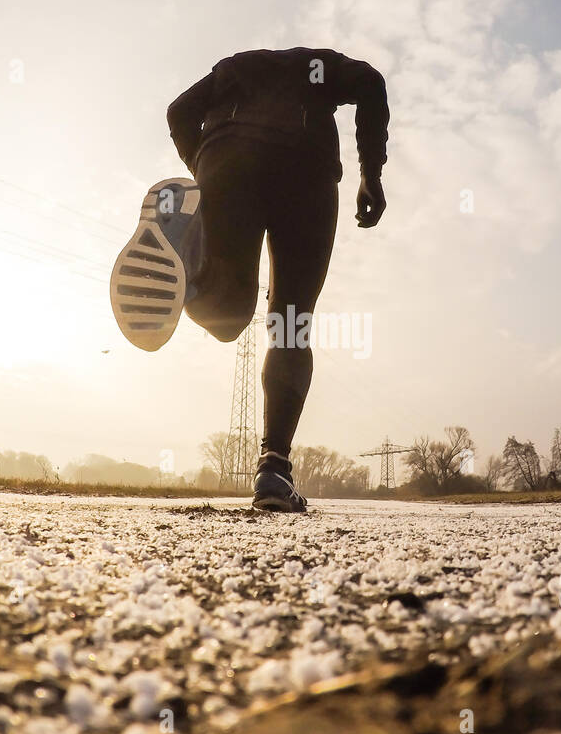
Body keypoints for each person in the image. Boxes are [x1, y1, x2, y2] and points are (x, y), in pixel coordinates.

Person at [110, 47, 389, 512]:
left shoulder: (235, 68)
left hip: (230, 160)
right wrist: (371, 174)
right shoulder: (318, 66)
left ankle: (188, 260)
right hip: (307, 170)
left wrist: (201, 166)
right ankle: (274, 469)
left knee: (227, 314)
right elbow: (372, 83)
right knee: (290, 320)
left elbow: (180, 110)